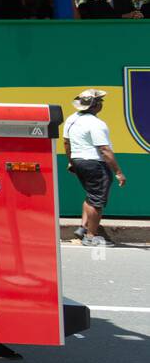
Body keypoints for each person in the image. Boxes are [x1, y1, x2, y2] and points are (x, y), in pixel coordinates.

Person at [62, 89, 126, 246]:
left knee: (91, 195)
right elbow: (104, 150)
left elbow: (66, 143)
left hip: (78, 161)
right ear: (95, 105)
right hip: (94, 163)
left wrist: (71, 161)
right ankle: (91, 236)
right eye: (100, 102)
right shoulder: (96, 124)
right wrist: (118, 172)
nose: (101, 105)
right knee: (97, 201)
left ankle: (83, 228)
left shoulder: (71, 119)